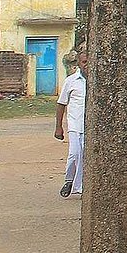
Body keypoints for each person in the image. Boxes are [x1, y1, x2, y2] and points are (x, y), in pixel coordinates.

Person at [54, 49, 87, 196]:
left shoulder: (97, 81)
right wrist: (58, 127)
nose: (87, 65)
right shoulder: (71, 81)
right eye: (84, 62)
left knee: (84, 155)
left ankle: (79, 186)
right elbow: (61, 104)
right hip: (75, 124)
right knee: (75, 153)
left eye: (89, 61)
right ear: (78, 63)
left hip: (89, 127)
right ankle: (69, 180)